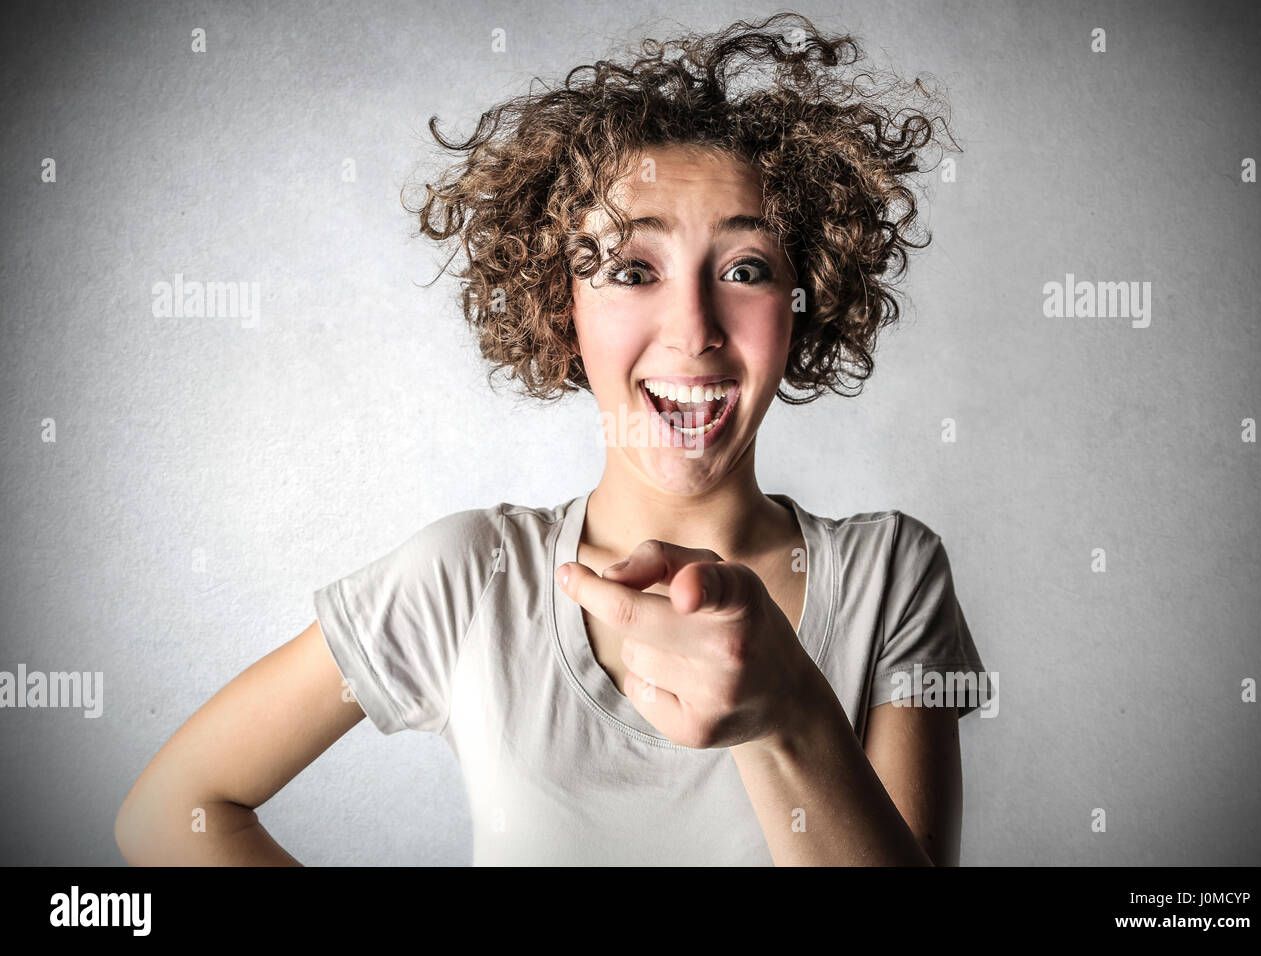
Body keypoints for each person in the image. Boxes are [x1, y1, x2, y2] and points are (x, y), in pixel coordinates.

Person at [115, 12, 992, 867]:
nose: (693, 328)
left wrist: (790, 712)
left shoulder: (892, 576)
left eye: (746, 269)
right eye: (631, 270)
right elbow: (175, 813)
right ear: (559, 309)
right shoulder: (468, 578)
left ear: (804, 306)